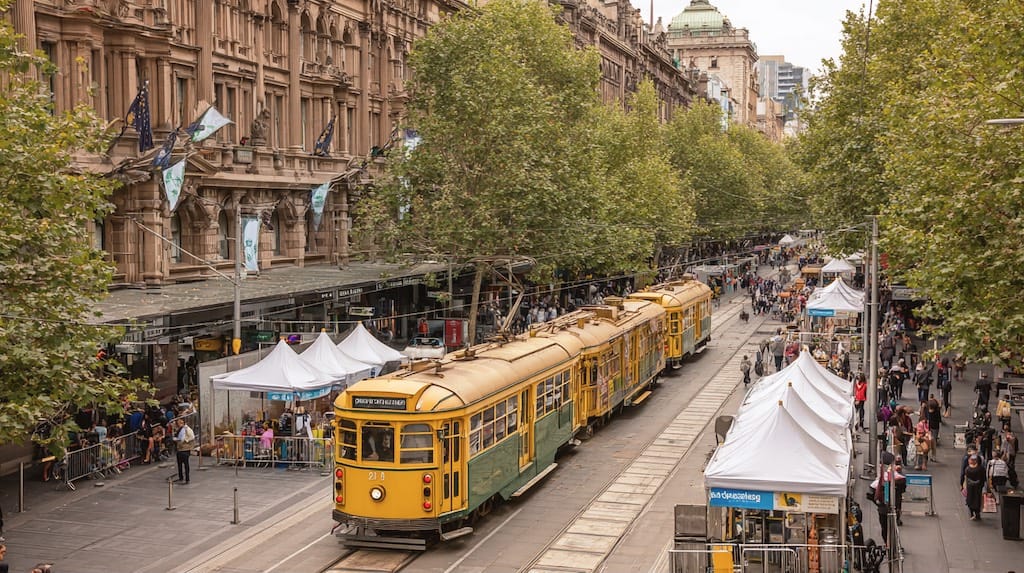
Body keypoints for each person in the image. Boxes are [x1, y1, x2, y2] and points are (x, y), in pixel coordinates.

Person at [172, 418, 195, 484]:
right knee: (179, 464)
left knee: (186, 464)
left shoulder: (187, 429)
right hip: (179, 448)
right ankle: (180, 477)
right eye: (178, 423)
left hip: (185, 449)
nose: (179, 424)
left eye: (181, 422)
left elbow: (192, 437)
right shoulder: (179, 429)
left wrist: (186, 440)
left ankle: (187, 478)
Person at [963, 454, 986, 520]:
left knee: (970, 500)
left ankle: (972, 513)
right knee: (977, 500)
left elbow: (966, 478)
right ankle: (977, 514)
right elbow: (984, 478)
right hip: (978, 488)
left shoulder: (968, 469)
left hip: (970, 487)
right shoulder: (981, 468)